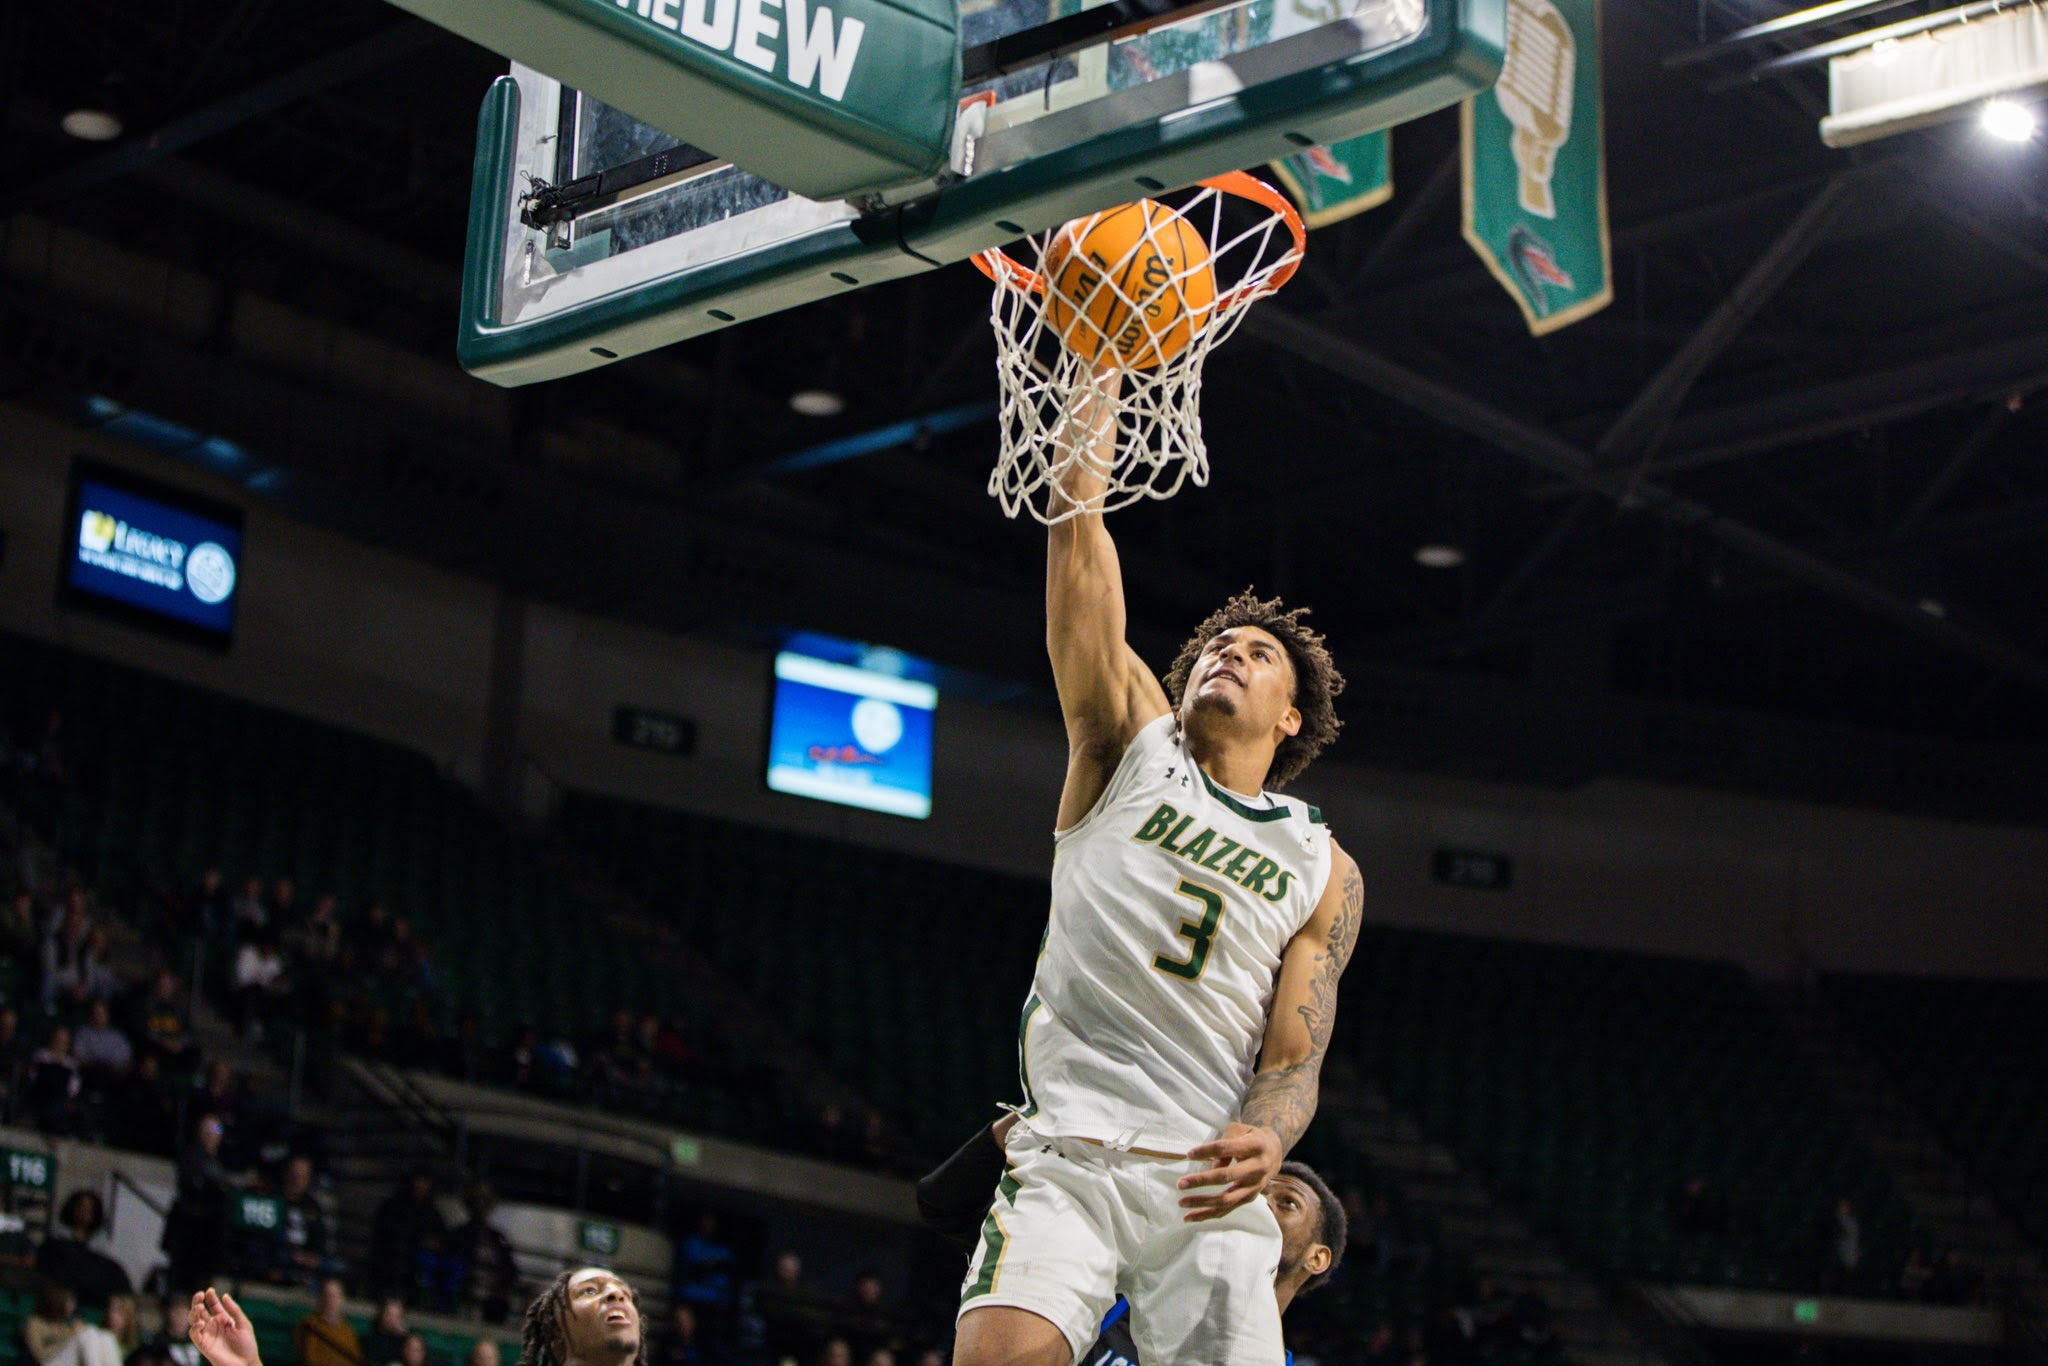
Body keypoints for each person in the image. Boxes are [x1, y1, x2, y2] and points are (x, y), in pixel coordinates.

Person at [954, 388, 1360, 1366]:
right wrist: (1093, 374)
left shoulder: (1323, 865)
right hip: (1072, 1152)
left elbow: (1292, 1058)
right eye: (1217, 645)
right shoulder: (1125, 745)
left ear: (1290, 716)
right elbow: (1077, 536)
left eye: (1259, 655)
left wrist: (1269, 1133)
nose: (1229, 652)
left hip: (1204, 1179)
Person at [922, 1115, 1345, 1365]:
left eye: (1286, 1202)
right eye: (1257, 1192)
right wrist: (1037, 1119)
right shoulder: (1119, 1273)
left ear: (1318, 1257)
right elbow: (942, 1203)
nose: (1260, 1205)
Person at [37, 1189, 134, 1309]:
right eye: (81, 1207)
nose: (85, 1211)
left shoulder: (100, 1252)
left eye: (90, 1208)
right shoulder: (55, 1245)